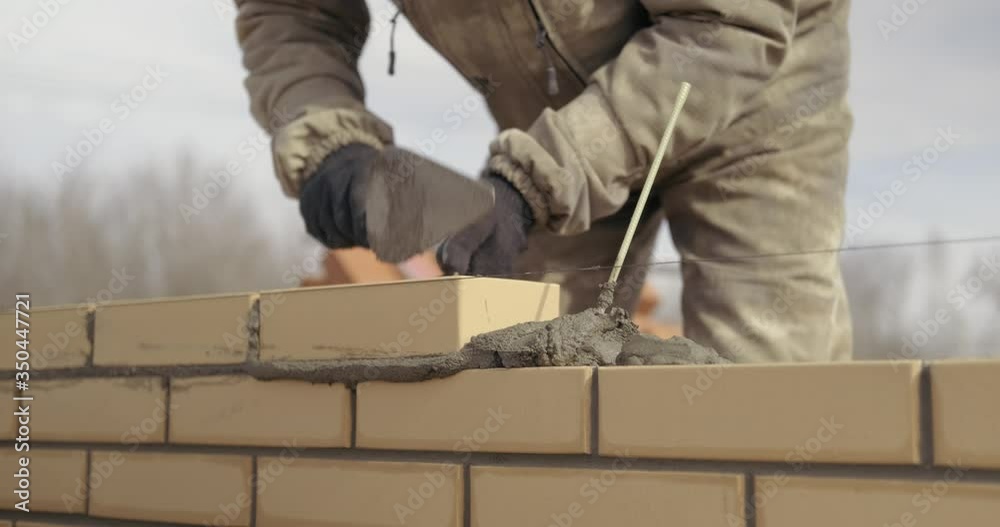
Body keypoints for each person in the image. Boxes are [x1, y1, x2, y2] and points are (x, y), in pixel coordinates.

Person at [234, 0, 853, 363]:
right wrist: (326, 140)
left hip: (756, 96)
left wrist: (535, 181)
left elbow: (726, 24)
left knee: (766, 391)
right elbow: (289, 14)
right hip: (554, 118)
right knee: (530, 368)